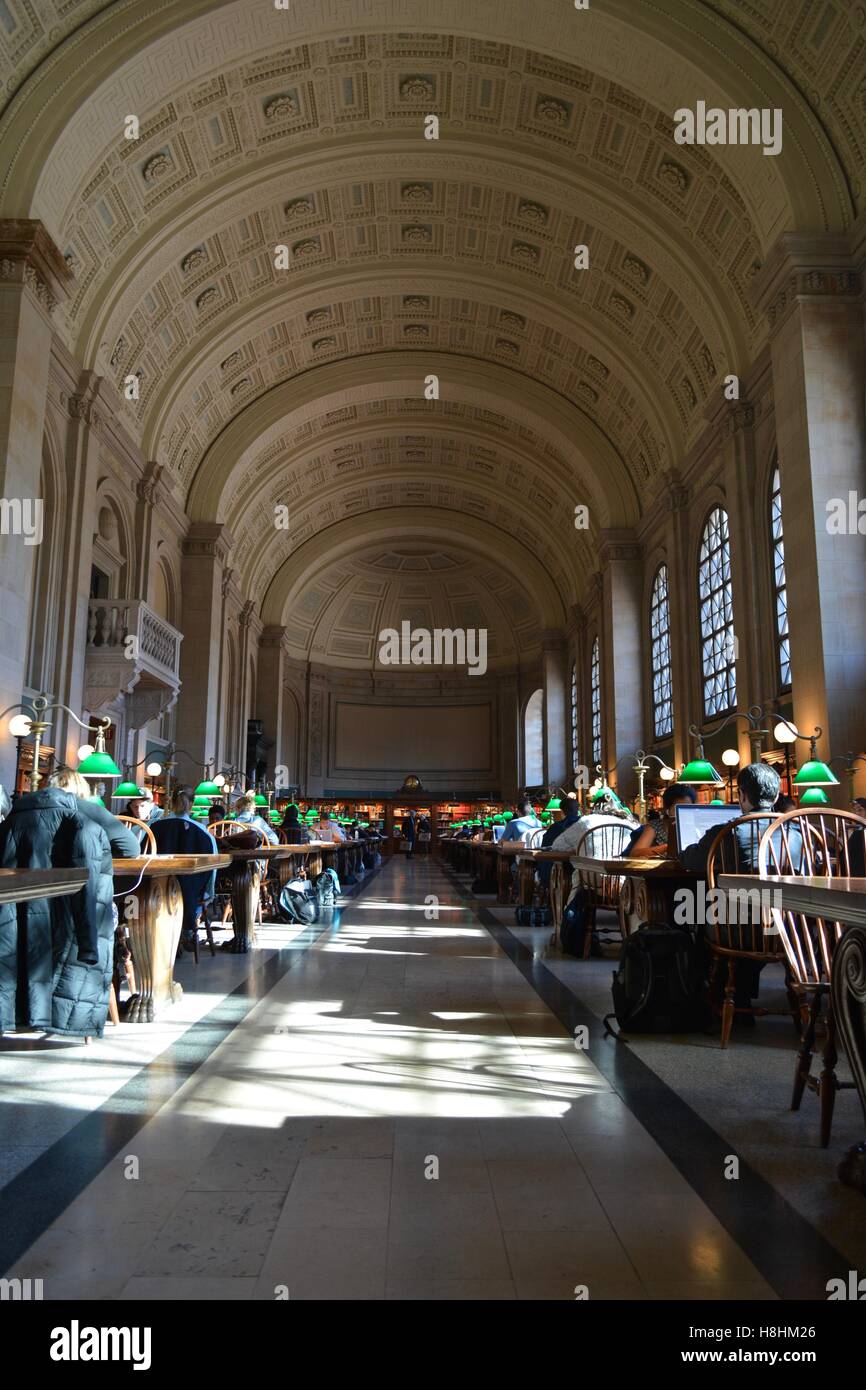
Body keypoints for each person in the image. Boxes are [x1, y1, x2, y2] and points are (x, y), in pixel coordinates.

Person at [0, 768, 138, 1039]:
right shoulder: (85, 810)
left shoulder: (17, 811)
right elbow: (131, 848)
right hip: (78, 904)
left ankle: (26, 1013)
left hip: (21, 909)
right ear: (80, 791)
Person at [680, 763, 804, 1018]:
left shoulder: (726, 833)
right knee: (749, 909)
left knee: (689, 909)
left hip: (737, 929)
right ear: (778, 796)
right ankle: (741, 994)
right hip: (788, 930)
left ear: (742, 796)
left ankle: (702, 995)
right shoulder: (797, 832)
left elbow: (690, 861)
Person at [152, 790, 219, 952]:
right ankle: (186, 930)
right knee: (198, 893)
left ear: (171, 802)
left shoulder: (152, 827)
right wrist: (209, 893)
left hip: (154, 892)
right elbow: (212, 867)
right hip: (190, 893)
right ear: (192, 804)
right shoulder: (202, 831)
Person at [626, 784, 697, 857]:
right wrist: (668, 847)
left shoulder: (697, 826)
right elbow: (635, 853)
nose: (682, 813)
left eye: (687, 808)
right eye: (677, 809)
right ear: (667, 809)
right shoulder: (656, 826)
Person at [536, 793, 581, 889]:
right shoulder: (584, 826)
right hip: (582, 870)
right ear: (578, 810)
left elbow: (545, 848)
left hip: (560, 870)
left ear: (562, 811)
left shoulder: (556, 827)